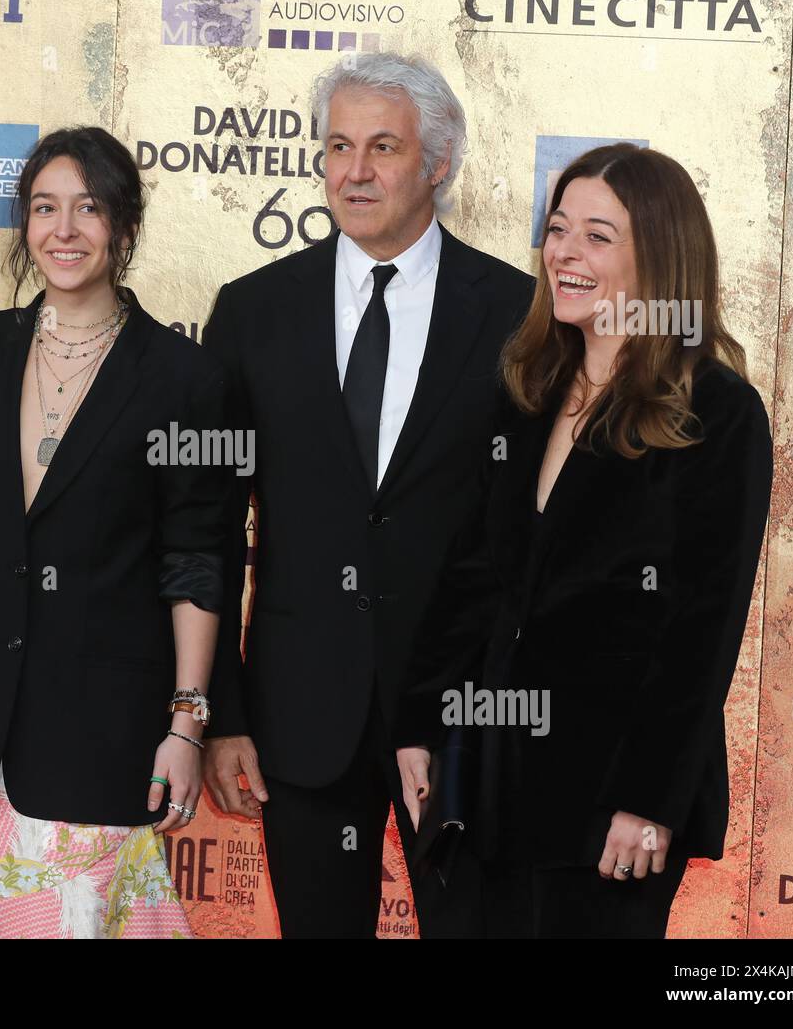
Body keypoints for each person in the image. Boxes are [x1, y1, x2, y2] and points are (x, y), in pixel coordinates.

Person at [396, 143, 773, 937]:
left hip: (611, 806)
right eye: (558, 228)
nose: (564, 252)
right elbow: (475, 577)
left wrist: (649, 800)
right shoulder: (529, 388)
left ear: (659, 255)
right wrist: (420, 725)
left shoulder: (717, 412)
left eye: (598, 236)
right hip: (489, 788)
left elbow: (702, 631)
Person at [200, 51, 534, 938]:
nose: (353, 171)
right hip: (298, 716)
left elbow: (528, 539)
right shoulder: (252, 311)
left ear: (440, 162)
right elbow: (209, 526)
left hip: (465, 718)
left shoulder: (519, 317)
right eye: (337, 146)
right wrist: (222, 714)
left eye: (383, 147)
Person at [0, 126, 228, 939]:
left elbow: (197, 560)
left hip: (102, 728)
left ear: (124, 224)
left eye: (89, 208)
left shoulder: (183, 377)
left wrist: (185, 722)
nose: (65, 229)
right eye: (45, 208)